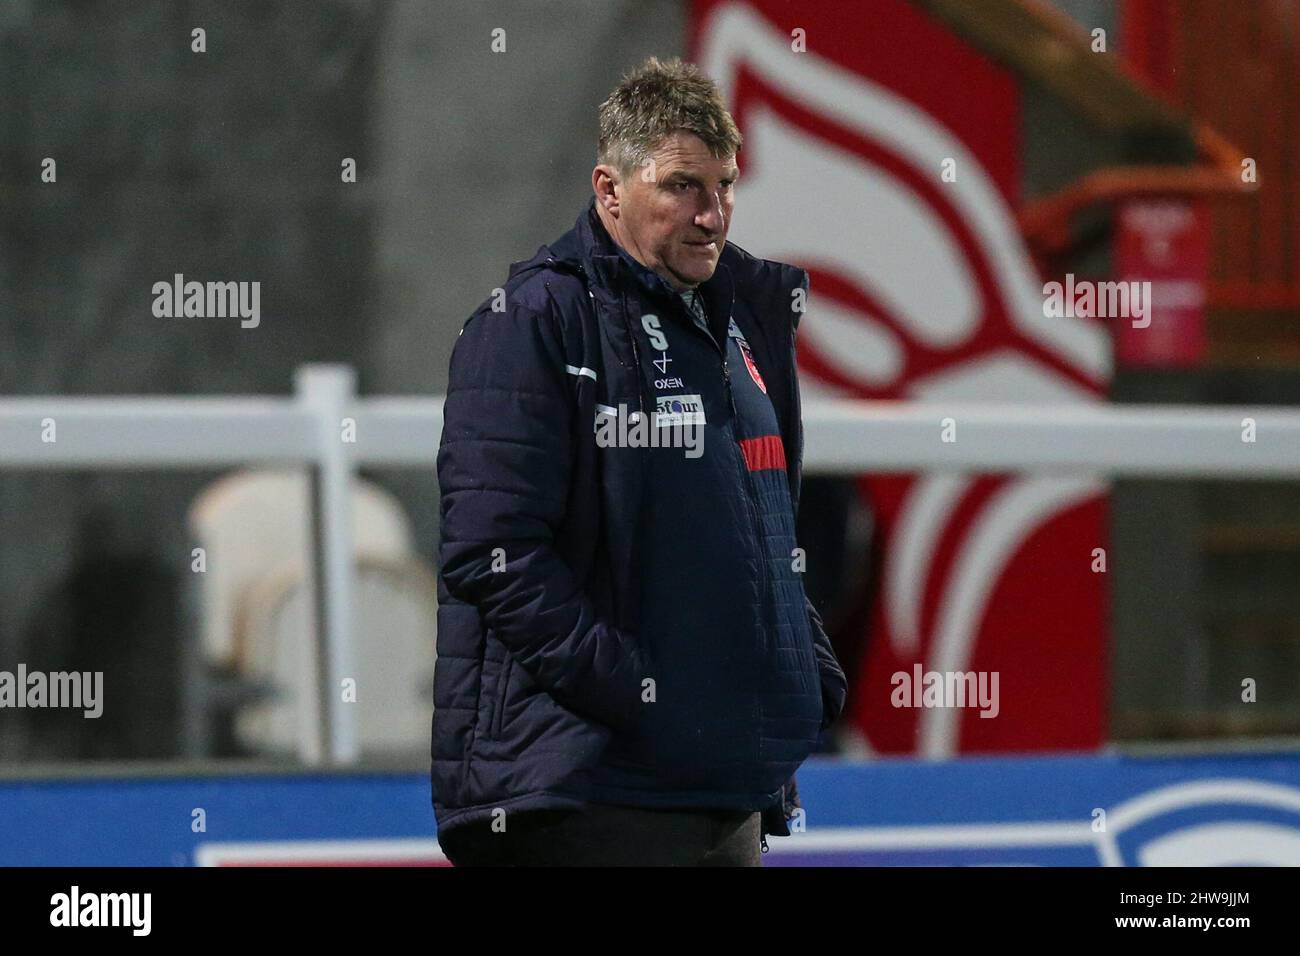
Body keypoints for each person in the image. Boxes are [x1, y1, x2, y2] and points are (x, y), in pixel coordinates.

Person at [432, 55, 846, 866]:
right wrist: (638, 691)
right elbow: (493, 550)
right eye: (682, 186)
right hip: (587, 790)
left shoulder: (745, 323)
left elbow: (765, 528)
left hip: (725, 786)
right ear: (609, 189)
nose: (712, 214)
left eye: (725, 186)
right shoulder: (534, 322)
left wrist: (802, 667)